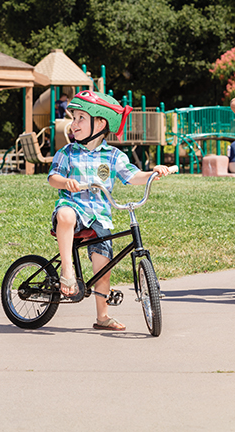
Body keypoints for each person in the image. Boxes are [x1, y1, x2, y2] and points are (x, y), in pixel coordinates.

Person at [48, 90, 172, 331]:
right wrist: (65, 183)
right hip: (73, 208)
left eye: (80, 118)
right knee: (65, 214)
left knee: (103, 269)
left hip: (99, 217)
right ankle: (67, 270)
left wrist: (153, 173)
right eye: (73, 118)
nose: (74, 124)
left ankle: (102, 317)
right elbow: (53, 177)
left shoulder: (113, 156)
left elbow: (133, 176)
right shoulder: (67, 153)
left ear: (100, 123)